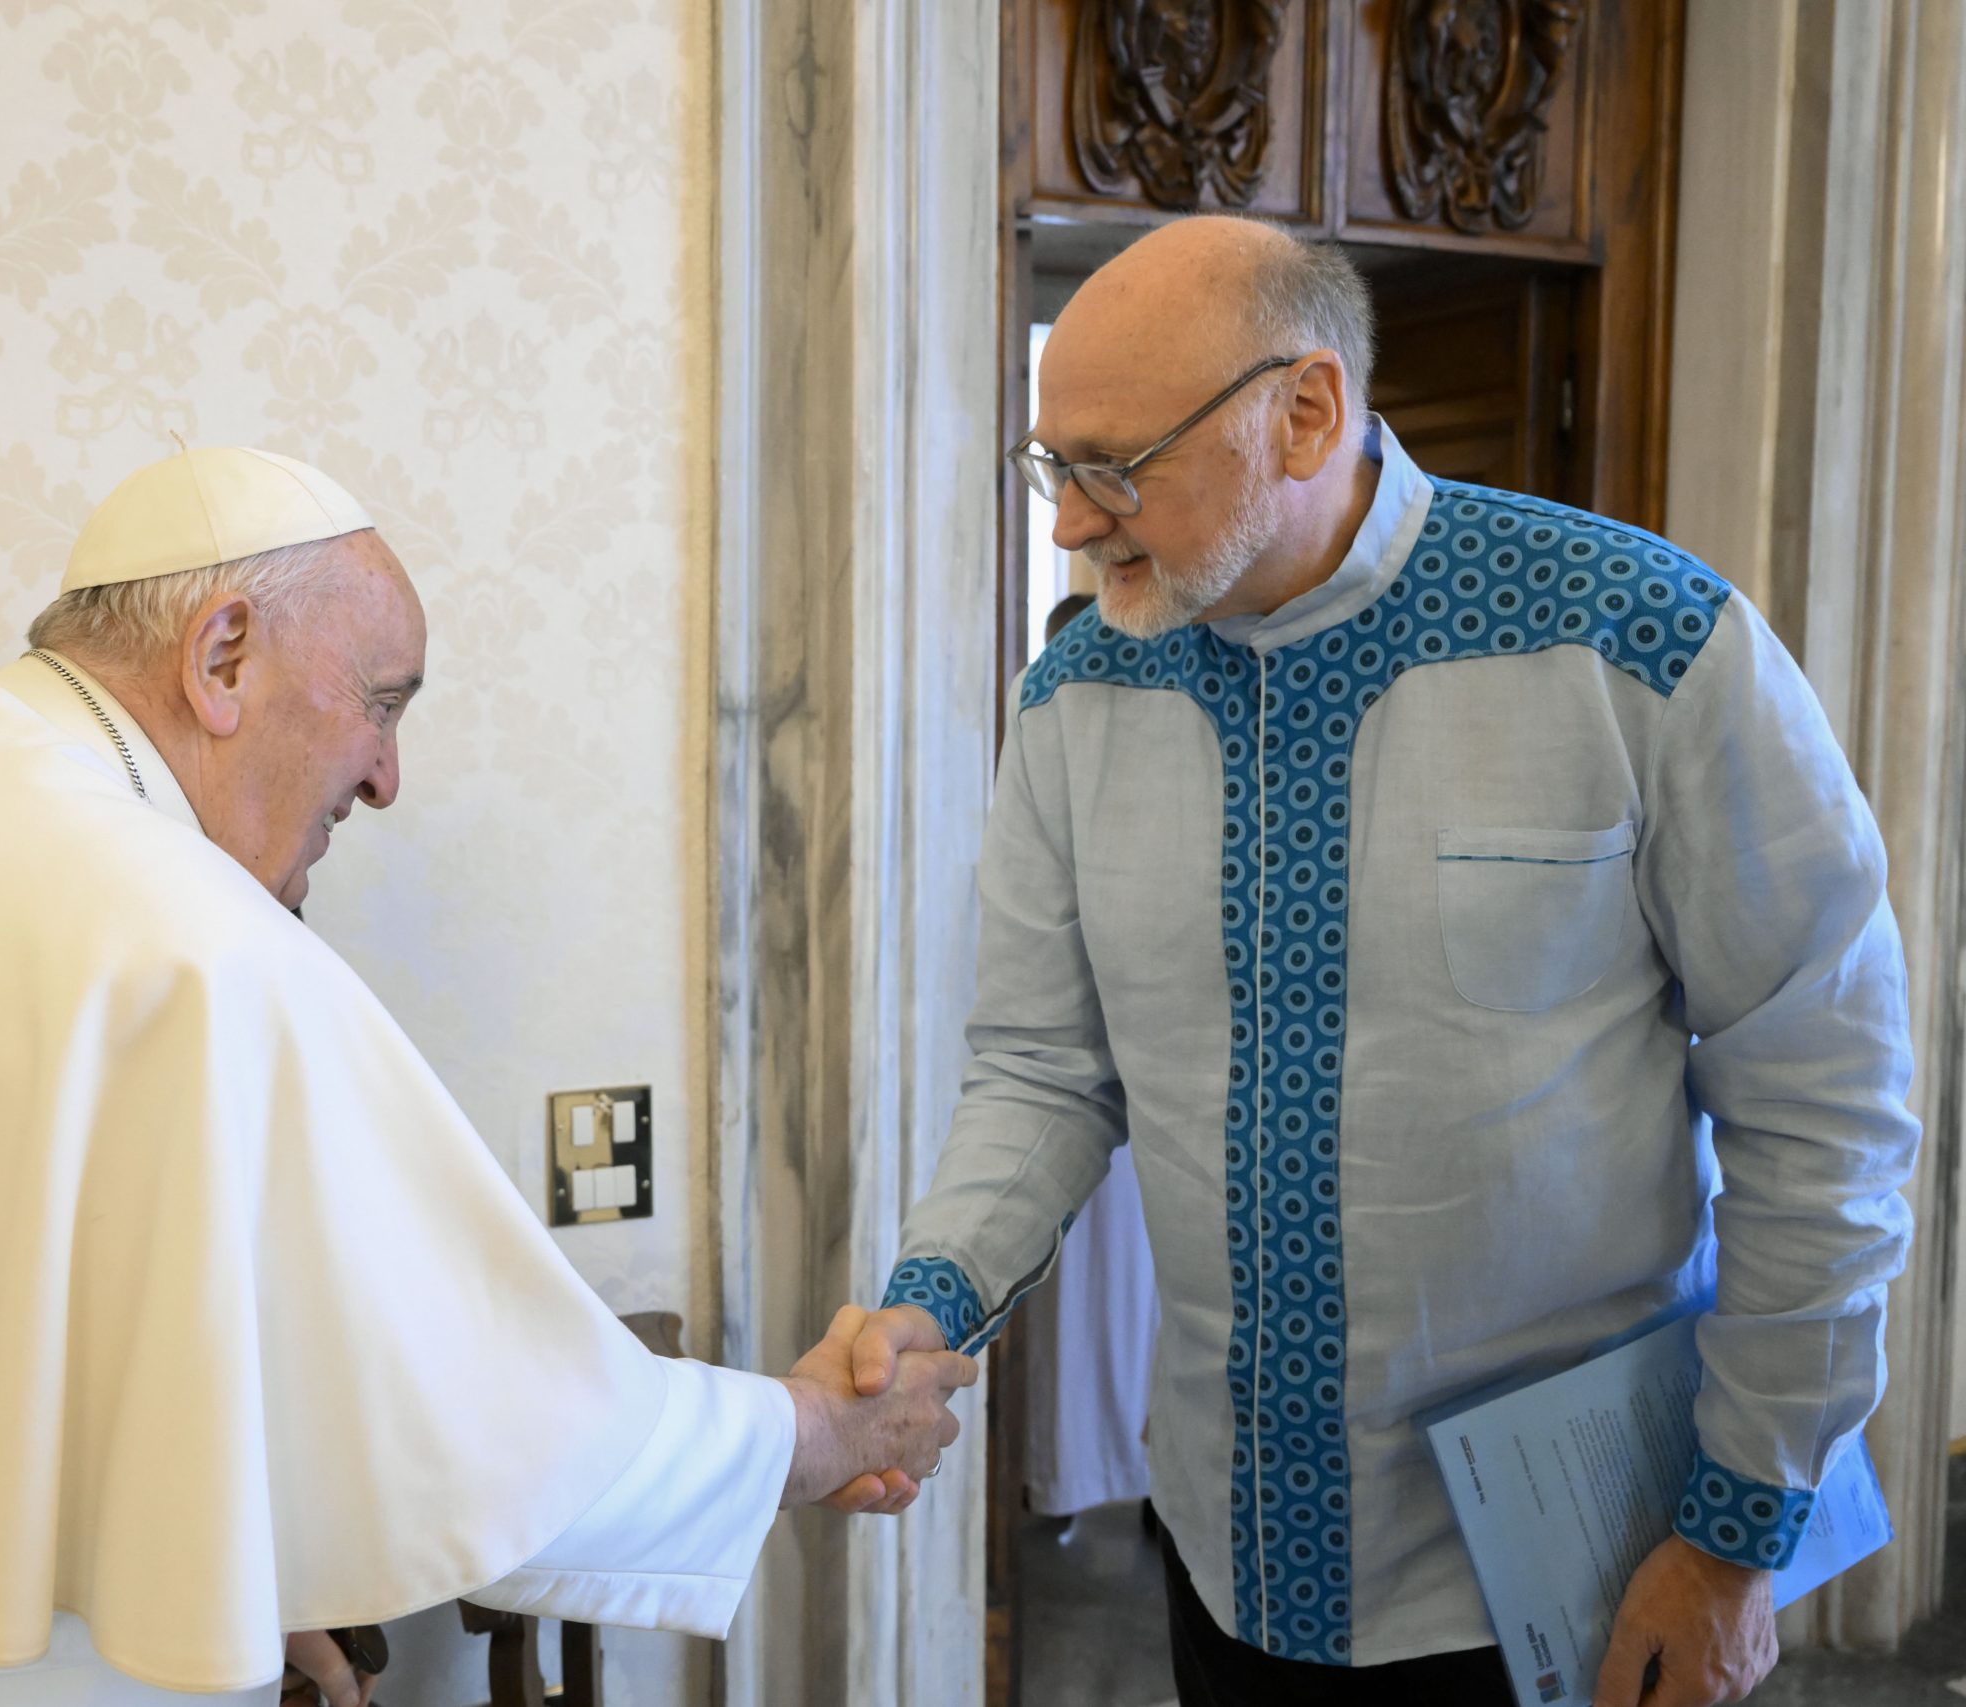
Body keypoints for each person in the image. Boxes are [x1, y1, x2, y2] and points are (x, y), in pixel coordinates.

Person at [0, 444, 976, 1706]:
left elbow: (62, 1340)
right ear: (222, 651)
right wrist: (820, 1435)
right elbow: (495, 1417)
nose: (386, 775)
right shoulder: (176, 931)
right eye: (381, 702)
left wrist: (232, 1573)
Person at [820, 215, 1919, 1707]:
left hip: (1579, 1574)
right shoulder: (1081, 692)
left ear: (1308, 411)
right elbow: (1043, 1071)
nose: (1071, 524)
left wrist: (1735, 1535)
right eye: (1051, 467)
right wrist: (923, 1309)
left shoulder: (1641, 643)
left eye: (1115, 465)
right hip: (1222, 1551)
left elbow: (1826, 1112)